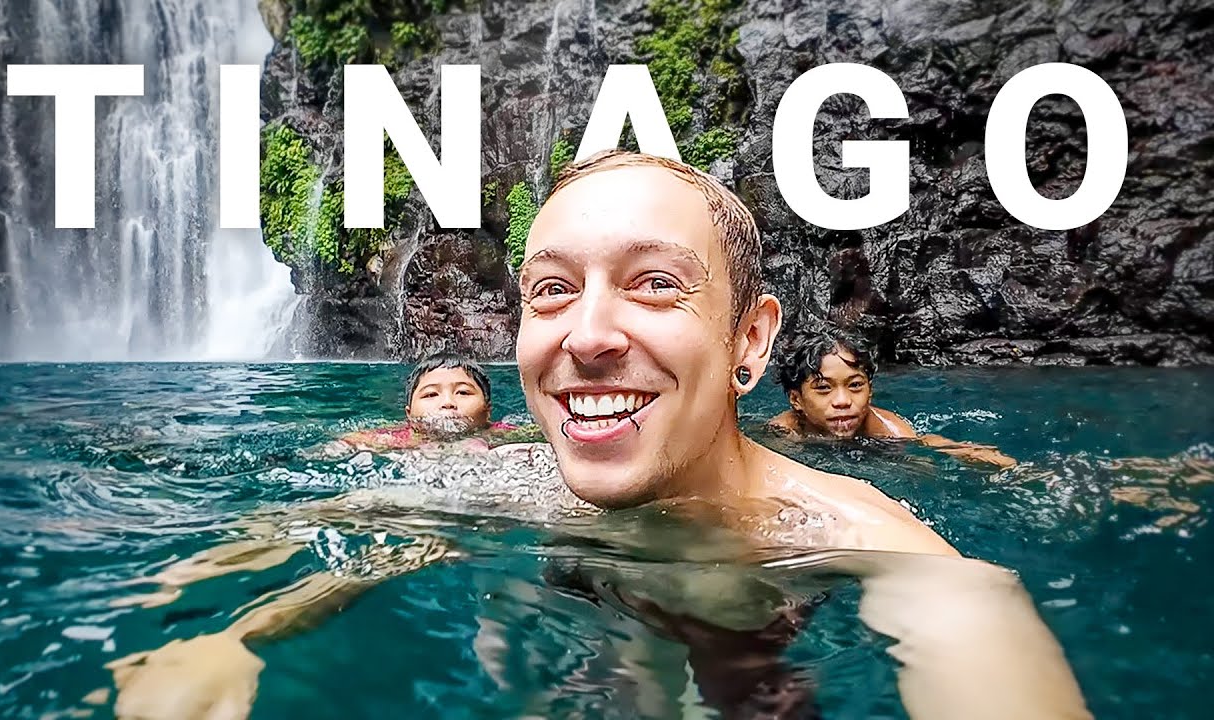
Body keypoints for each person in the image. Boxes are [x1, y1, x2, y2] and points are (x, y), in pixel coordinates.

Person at [104, 150, 1089, 720]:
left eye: (654, 283)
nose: (587, 334)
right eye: (551, 290)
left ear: (750, 342)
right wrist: (223, 637)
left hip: (749, 624)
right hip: (588, 598)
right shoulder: (515, 478)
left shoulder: (857, 536)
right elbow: (339, 525)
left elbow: (968, 619)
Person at [767, 328, 1018, 468]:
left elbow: (926, 447)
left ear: (870, 391)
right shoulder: (781, 433)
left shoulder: (888, 431)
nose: (842, 400)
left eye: (855, 385)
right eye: (823, 388)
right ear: (796, 399)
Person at [318, 352, 524, 455]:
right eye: (430, 395)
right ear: (409, 414)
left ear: (488, 411)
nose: (447, 403)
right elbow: (347, 442)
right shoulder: (396, 438)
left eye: (462, 392)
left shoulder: (507, 434)